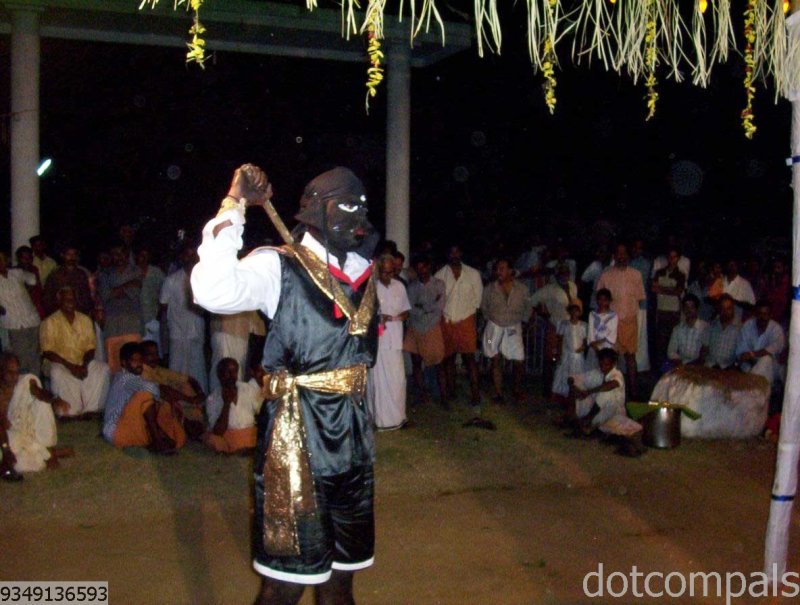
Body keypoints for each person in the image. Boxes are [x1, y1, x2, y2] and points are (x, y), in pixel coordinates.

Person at [191, 164, 379, 604]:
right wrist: (235, 203)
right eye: (347, 207)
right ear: (319, 210)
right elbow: (211, 290)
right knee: (286, 584)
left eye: (362, 207)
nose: (358, 218)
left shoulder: (361, 271)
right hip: (297, 440)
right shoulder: (278, 266)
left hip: (353, 441)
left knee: (342, 580)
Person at [40, 287, 111, 418]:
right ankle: (70, 411)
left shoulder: (85, 320)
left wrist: (84, 365)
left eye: (72, 299)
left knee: (102, 368)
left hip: (81, 361)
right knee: (57, 372)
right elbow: (47, 352)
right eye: (66, 299)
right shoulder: (49, 322)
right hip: (58, 362)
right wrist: (71, 367)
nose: (70, 302)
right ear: (59, 300)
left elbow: (90, 348)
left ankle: (92, 409)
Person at [102, 342, 186, 453]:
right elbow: (152, 388)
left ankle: (158, 437)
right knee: (145, 396)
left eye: (140, 360)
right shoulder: (124, 378)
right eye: (134, 361)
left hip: (131, 427)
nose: (139, 364)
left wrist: (169, 400)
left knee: (178, 437)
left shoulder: (136, 378)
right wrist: (175, 398)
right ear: (124, 363)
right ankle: (157, 442)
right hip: (116, 431)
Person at [0, 352, 70, 479]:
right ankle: (49, 453)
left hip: (28, 430)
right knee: (23, 464)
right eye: (10, 372)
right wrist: (6, 450)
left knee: (42, 402)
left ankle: (50, 450)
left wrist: (54, 400)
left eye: (17, 372)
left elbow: (38, 392)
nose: (14, 377)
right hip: (9, 437)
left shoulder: (24, 382)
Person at [566, 348, 644, 457]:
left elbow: (611, 385)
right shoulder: (597, 372)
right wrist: (575, 388)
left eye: (607, 365)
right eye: (601, 364)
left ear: (613, 364)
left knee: (606, 393)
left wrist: (589, 392)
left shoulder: (617, 374)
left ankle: (587, 421)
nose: (603, 368)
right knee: (578, 389)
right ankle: (576, 419)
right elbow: (572, 378)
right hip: (600, 414)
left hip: (614, 414)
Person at [435, 244, 483, 409]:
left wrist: (474, 322)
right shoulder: (440, 275)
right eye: (451, 252)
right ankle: (451, 391)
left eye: (457, 251)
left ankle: (475, 394)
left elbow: (478, 301)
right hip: (446, 321)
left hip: (466, 319)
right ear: (448, 254)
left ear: (461, 253)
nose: (454, 255)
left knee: (470, 359)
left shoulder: (473, 274)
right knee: (448, 359)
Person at [596, 243, 646, 398]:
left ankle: (633, 394)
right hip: (611, 322)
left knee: (631, 357)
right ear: (614, 256)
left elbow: (640, 298)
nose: (621, 256)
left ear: (628, 256)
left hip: (630, 321)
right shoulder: (606, 275)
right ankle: (612, 395)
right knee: (611, 358)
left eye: (624, 253)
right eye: (618, 253)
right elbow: (600, 299)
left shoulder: (636, 274)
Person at [368, 253, 411, 431]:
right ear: (378, 270)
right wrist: (378, 318)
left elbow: (406, 310)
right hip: (379, 341)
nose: (388, 276)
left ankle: (399, 418)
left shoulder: (399, 286)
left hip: (395, 339)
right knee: (379, 381)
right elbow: (365, 315)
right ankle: (380, 421)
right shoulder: (372, 287)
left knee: (398, 379)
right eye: (384, 272)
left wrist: (398, 317)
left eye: (391, 272)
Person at [481, 258, 531, 403]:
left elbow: (528, 307)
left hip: (514, 327)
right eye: (497, 269)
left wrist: (525, 322)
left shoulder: (522, 289)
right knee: (495, 359)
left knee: (519, 360)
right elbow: (484, 308)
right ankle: (498, 393)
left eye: (502, 268)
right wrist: (490, 321)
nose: (498, 272)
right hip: (493, 327)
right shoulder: (489, 289)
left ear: (510, 270)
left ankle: (516, 389)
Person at [160, 244, 208, 391]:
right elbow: (163, 306)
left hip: (196, 332)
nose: (191, 258)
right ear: (181, 257)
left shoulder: (203, 279)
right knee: (176, 370)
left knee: (197, 369)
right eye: (188, 255)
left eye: (193, 255)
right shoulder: (171, 280)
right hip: (177, 333)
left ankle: (198, 399)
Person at [403, 254, 448, 408]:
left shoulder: (439, 284)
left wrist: (422, 307)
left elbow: (440, 306)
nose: (422, 271)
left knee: (439, 363)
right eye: (419, 268)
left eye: (424, 267)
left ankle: (444, 398)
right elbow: (410, 307)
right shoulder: (412, 287)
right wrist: (428, 307)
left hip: (432, 327)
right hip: (415, 327)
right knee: (416, 363)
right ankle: (421, 395)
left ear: (429, 267)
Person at [140, 340, 206, 439]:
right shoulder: (143, 371)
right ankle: (188, 424)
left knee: (185, 385)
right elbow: (162, 389)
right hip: (156, 408)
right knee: (170, 396)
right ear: (141, 357)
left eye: (156, 354)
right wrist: (190, 400)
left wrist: (200, 393)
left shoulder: (157, 369)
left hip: (172, 403)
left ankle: (193, 423)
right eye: (150, 355)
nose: (155, 357)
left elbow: (190, 379)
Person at [204, 358, 263, 454]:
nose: (232, 376)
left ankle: (243, 449)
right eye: (228, 372)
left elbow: (262, 412)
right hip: (228, 436)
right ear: (220, 375)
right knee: (213, 439)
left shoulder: (248, 389)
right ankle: (240, 450)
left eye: (235, 372)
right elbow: (218, 431)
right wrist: (226, 404)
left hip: (249, 433)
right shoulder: (213, 398)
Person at [0, 251, 41, 375]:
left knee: (35, 357)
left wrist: (26, 288)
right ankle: (24, 385)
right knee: (20, 360)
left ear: (7, 260)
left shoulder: (16, 273)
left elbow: (33, 280)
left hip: (31, 320)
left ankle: (36, 383)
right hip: (14, 324)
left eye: (2, 259)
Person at [735, 300, 785, 390]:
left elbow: (773, 350)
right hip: (747, 368)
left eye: (765, 314)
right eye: (759, 313)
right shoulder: (748, 326)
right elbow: (742, 354)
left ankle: (749, 390)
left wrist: (752, 355)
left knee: (766, 360)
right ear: (755, 314)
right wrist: (752, 357)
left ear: (770, 315)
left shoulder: (776, 329)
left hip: (769, 371)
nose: (762, 317)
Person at [209, 310, 265, 392]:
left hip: (241, 332)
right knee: (223, 369)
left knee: (237, 371)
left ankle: (236, 398)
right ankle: (217, 398)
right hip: (223, 330)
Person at [97, 246, 142, 340]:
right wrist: (128, 285)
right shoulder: (105, 273)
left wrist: (114, 289)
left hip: (131, 320)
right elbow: (105, 295)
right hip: (112, 321)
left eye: (122, 254)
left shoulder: (136, 271)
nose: (119, 257)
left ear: (127, 255)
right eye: (116, 254)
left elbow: (135, 292)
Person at [651, 248, 686, 370]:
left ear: (678, 258)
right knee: (661, 342)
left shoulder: (680, 275)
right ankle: (661, 370)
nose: (672, 259)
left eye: (674, 257)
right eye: (670, 257)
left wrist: (661, 289)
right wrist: (669, 289)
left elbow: (678, 291)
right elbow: (653, 289)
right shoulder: (659, 272)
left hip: (673, 313)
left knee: (673, 343)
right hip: (661, 311)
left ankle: (673, 370)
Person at [42, 246, 93, 317]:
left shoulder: (81, 274)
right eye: (68, 254)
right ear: (62, 255)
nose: (71, 257)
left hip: (79, 313)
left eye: (74, 254)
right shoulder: (55, 275)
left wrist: (85, 311)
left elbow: (86, 296)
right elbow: (48, 298)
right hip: (60, 314)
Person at [551, 303, 587, 400]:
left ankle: (576, 393)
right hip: (566, 354)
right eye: (572, 311)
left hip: (578, 355)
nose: (574, 313)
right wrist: (559, 353)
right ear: (569, 312)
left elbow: (584, 340)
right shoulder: (564, 324)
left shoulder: (583, 325)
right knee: (563, 372)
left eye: (576, 311)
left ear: (579, 313)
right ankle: (562, 393)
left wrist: (583, 347)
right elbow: (560, 339)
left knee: (577, 373)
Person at [665, 294, 708, 370]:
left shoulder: (705, 328)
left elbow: (706, 353)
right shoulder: (677, 329)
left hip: (698, 365)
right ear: (683, 309)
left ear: (697, 309)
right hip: (680, 363)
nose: (689, 310)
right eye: (686, 307)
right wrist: (680, 363)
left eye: (692, 307)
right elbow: (671, 351)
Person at [136, 246, 166, 349]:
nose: (143, 258)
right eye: (141, 255)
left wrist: (158, 315)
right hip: (136, 319)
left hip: (152, 317)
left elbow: (164, 292)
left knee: (153, 347)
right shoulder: (132, 271)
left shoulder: (156, 272)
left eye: (146, 256)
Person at [705, 294, 741, 369]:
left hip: (727, 369)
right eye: (722, 308)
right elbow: (704, 348)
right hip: (709, 366)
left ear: (733, 310)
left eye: (728, 308)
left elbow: (739, 356)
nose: (725, 312)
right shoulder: (711, 326)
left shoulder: (739, 330)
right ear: (719, 309)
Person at [586, 288, 618, 370]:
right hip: (594, 347)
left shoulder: (613, 316)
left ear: (609, 301)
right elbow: (590, 333)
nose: (602, 302)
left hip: (607, 347)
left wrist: (600, 343)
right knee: (593, 371)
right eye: (600, 299)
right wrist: (595, 347)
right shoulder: (592, 314)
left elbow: (612, 335)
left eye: (605, 300)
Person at [15, 246, 45, 319]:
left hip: (36, 308)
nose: (27, 260)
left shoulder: (34, 269)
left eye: (29, 258)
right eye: (24, 258)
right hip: (22, 309)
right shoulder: (14, 272)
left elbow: (39, 289)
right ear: (18, 259)